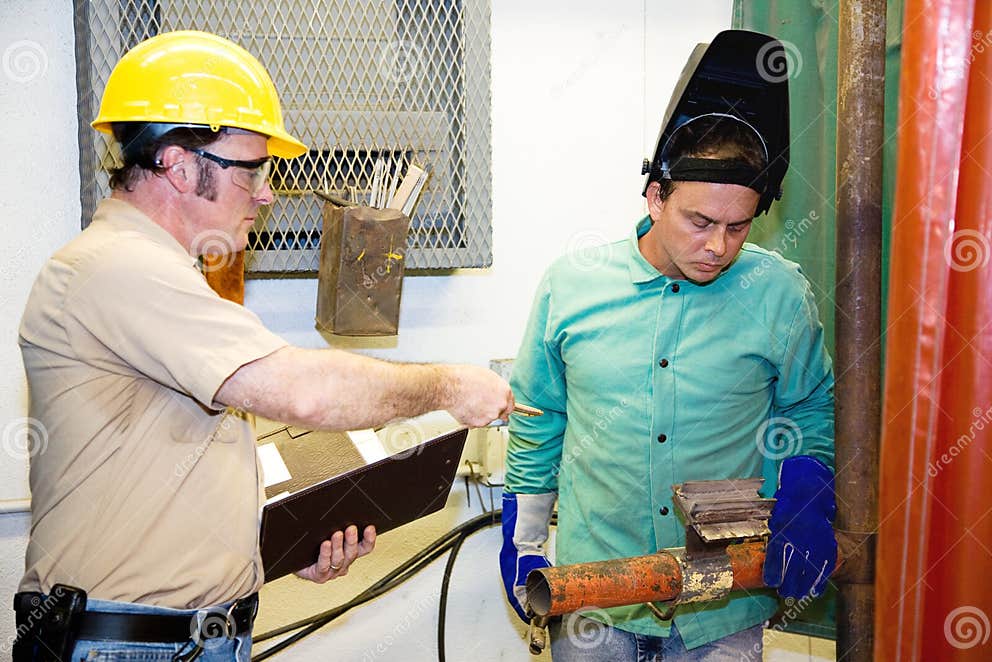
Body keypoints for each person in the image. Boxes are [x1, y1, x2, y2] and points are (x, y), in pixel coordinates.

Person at [13, 30, 514, 661]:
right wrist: (450, 386)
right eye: (252, 169)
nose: (269, 192)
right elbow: (304, 393)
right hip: (128, 646)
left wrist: (277, 549)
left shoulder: (161, 279)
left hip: (187, 638)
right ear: (178, 162)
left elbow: (178, 467)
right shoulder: (118, 268)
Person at [499, 30, 837, 660]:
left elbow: (810, 406)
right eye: (700, 222)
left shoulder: (778, 294)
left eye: (739, 226)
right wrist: (522, 537)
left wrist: (808, 489)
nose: (719, 246)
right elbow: (539, 418)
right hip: (599, 592)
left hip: (722, 602)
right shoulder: (571, 286)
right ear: (655, 196)